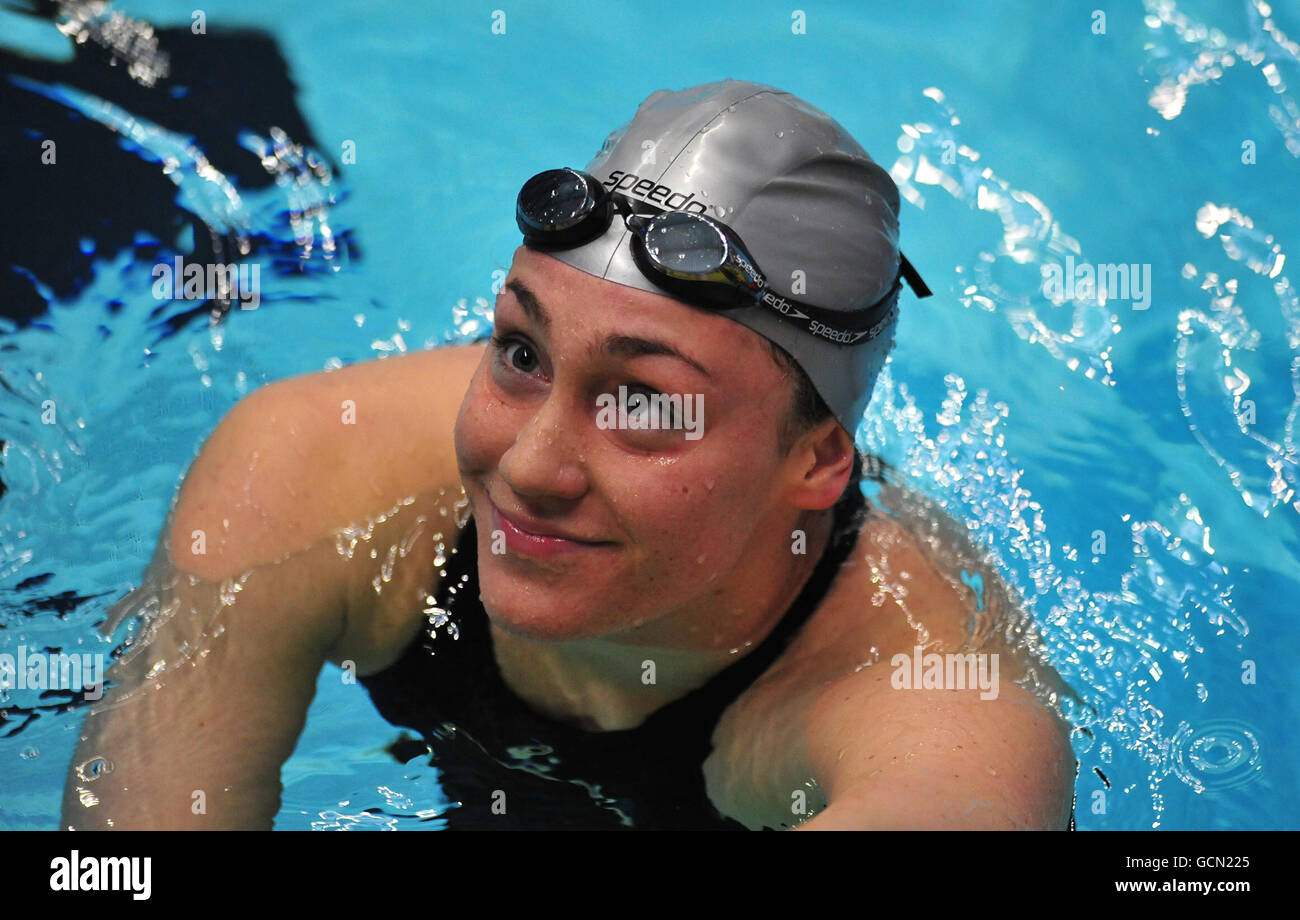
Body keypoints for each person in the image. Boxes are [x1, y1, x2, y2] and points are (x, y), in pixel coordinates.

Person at [62, 79, 1077, 830]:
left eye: (641, 402)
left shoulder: (934, 703)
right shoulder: (306, 471)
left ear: (817, 460)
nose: (531, 465)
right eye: (519, 352)